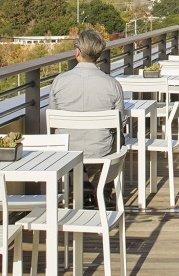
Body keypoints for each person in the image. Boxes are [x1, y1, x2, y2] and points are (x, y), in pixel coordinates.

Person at [48, 29, 125, 206]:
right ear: (98, 55)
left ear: (77, 52)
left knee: (68, 136)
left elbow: (54, 116)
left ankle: (82, 185)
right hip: (100, 149)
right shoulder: (112, 84)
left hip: (67, 149)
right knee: (119, 137)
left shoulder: (59, 82)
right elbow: (119, 122)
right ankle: (105, 188)